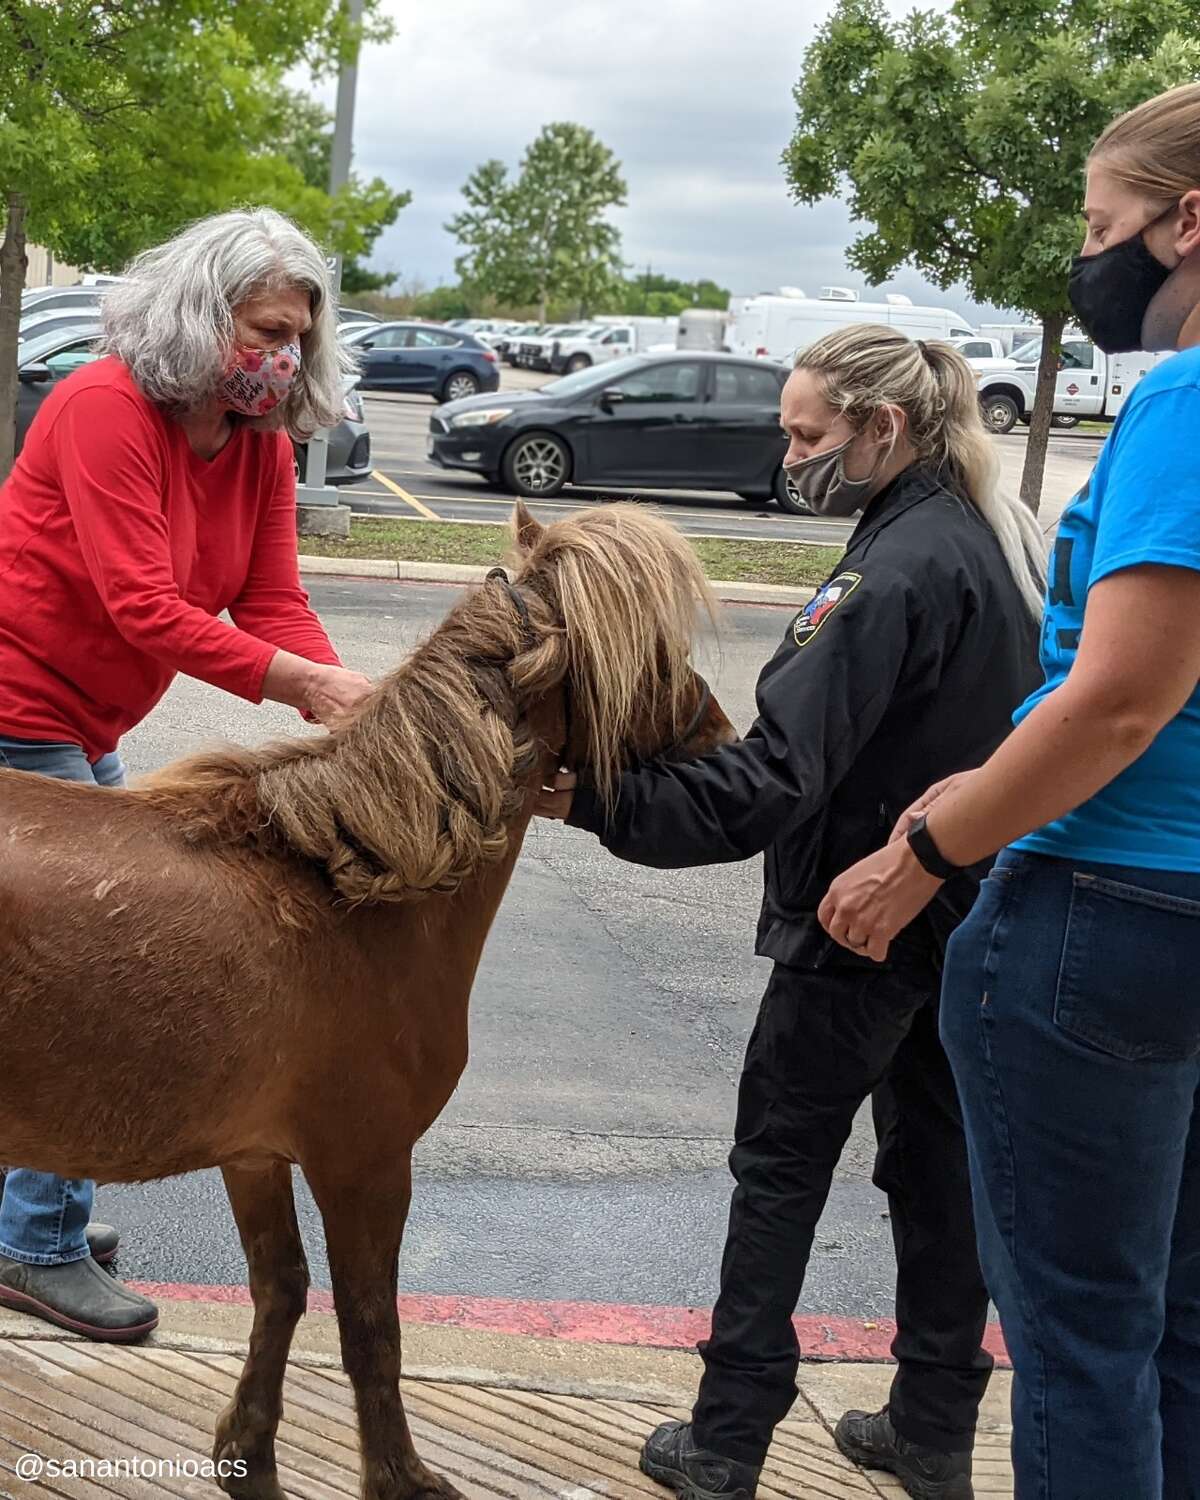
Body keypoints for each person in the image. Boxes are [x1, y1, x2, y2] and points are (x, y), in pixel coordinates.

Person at [537, 325, 1044, 1500]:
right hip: (965, 913)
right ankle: (930, 1430)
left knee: (780, 1170)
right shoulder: (987, 539)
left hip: (859, 918)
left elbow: (771, 781)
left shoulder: (890, 572)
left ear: (886, 429)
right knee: (940, 1174)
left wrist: (599, 801)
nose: (791, 452)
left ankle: (727, 1438)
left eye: (809, 433)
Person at [818, 83, 1200, 1500]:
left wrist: (926, 844)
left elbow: (1119, 698)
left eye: (1103, 226)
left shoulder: (1185, 403)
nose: (1089, 261)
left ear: (1185, 222)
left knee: (1085, 1340)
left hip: (1106, 910)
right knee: (1179, 1335)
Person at [0, 208, 373, 1343]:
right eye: (265, 331)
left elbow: (266, 600)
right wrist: (302, 692)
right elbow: (142, 605)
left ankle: (35, 1196)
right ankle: (37, 1239)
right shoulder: (105, 406)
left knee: (44, 966)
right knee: (86, 969)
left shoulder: (256, 433)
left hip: (91, 711)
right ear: (201, 317)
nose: (283, 357)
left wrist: (339, 697)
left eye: (299, 337)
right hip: (16, 704)